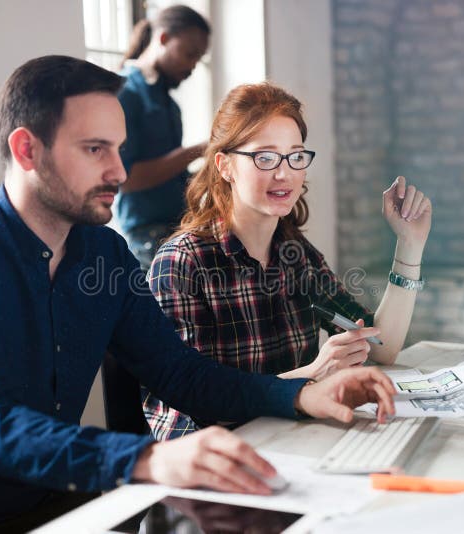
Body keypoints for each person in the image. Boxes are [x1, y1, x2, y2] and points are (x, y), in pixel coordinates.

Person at [0, 56, 397, 533]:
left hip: (72, 505)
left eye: (119, 149)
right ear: (26, 150)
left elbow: (181, 375)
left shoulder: (103, 252)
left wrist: (303, 394)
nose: (120, 172)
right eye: (94, 149)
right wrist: (146, 459)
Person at [144, 83, 432, 440]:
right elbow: (199, 401)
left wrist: (409, 243)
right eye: (265, 157)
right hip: (210, 457)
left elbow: (381, 346)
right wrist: (312, 376)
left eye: (296, 156)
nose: (285, 173)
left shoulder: (295, 255)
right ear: (225, 166)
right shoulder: (183, 262)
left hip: (286, 439)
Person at [115, 5, 210, 270]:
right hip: (146, 237)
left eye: (199, 58)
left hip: (177, 227)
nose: (193, 66)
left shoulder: (169, 103)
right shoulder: (126, 94)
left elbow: (171, 176)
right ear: (164, 39)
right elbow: (126, 178)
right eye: (190, 54)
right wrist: (199, 150)